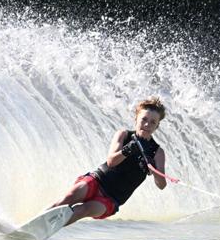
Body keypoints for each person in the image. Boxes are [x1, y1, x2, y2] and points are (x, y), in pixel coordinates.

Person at [50, 96, 168, 225]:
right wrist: (128, 150)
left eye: (153, 122)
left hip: (111, 199)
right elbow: (111, 162)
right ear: (136, 119)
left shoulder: (157, 152)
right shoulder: (124, 135)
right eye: (144, 119)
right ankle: (37, 223)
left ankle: (47, 228)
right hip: (97, 180)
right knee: (67, 199)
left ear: (157, 126)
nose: (147, 124)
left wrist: (153, 168)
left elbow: (161, 185)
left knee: (84, 210)